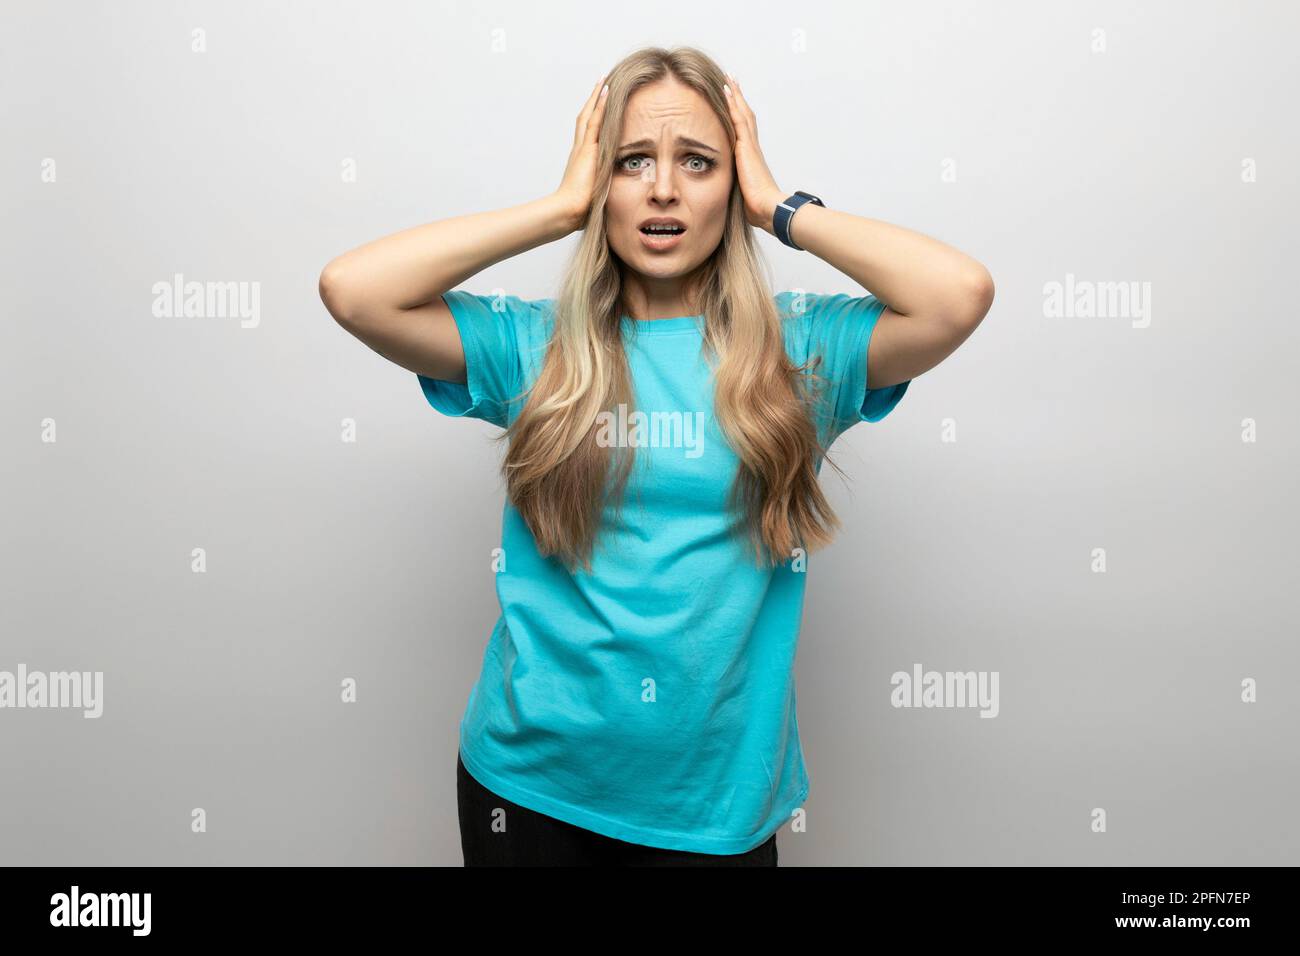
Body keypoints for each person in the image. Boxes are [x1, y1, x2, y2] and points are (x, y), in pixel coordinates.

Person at [318, 46, 993, 866]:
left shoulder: (798, 350)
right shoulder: (535, 345)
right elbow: (353, 289)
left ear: (732, 184)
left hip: (719, 811)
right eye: (632, 161)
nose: (663, 189)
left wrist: (781, 206)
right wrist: (560, 207)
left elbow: (958, 295)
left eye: (698, 163)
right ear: (601, 181)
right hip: (530, 792)